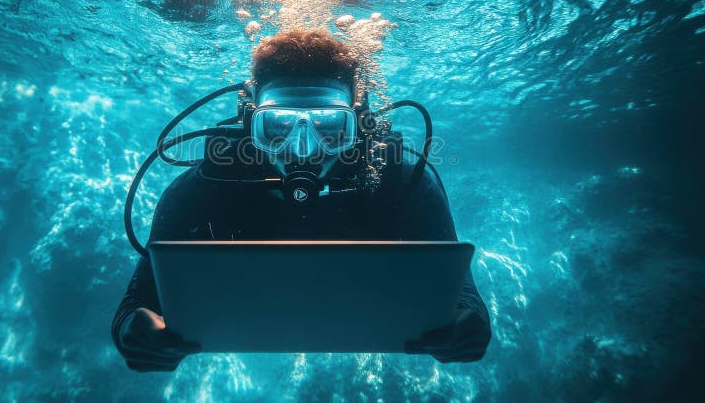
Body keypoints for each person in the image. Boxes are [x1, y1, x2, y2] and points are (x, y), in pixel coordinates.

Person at [112, 29, 491, 372]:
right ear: (250, 124)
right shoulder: (201, 189)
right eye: (277, 126)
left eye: (330, 127)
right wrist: (135, 330)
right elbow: (137, 303)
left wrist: (469, 323)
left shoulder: (403, 183)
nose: (304, 149)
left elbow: (464, 299)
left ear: (357, 126)